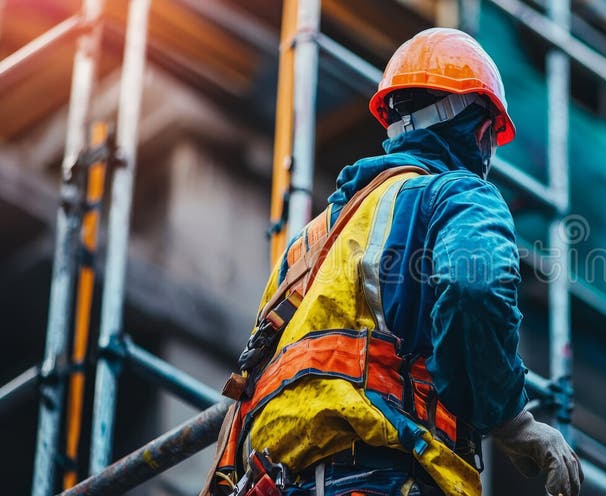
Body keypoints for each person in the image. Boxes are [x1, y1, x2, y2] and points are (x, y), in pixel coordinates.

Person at [202, 27, 582, 496]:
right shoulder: (457, 195)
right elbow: (474, 288)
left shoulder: (309, 245)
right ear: (483, 131)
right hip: (385, 474)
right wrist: (512, 420)